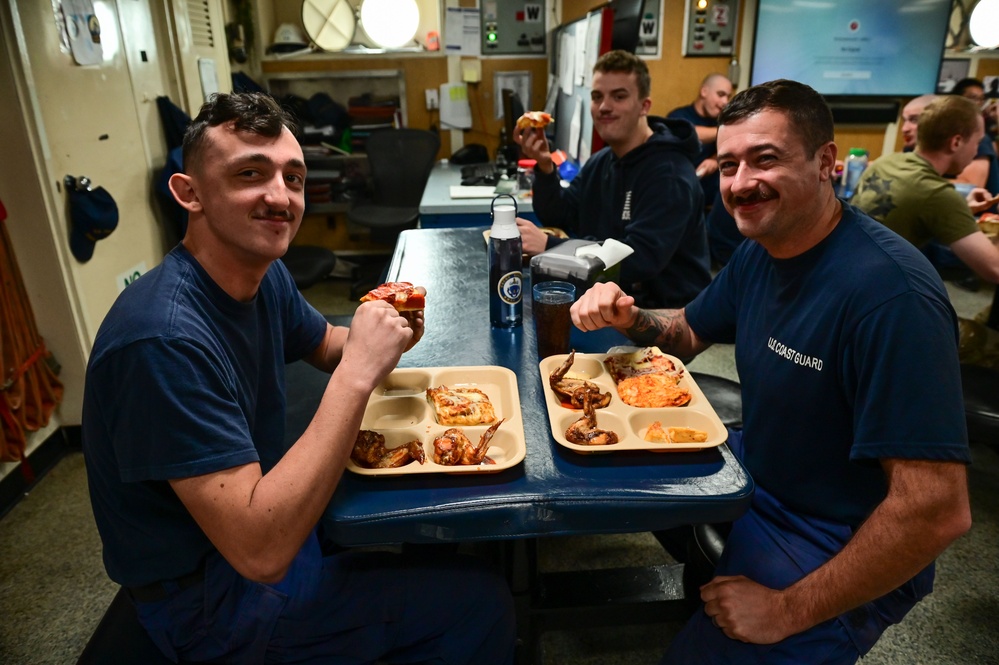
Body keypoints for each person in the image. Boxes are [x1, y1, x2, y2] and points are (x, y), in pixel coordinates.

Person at [81, 92, 515, 664]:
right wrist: (357, 373)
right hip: (211, 600)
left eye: (293, 178)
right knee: (480, 603)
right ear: (190, 193)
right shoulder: (162, 342)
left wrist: (384, 338)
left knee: (433, 524)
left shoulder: (262, 275)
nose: (279, 196)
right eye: (250, 174)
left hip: (253, 534)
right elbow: (261, 552)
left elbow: (327, 344)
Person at [571, 79, 971, 663]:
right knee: (606, 471)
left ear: (825, 162)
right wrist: (630, 317)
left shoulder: (892, 298)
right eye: (729, 164)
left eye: (765, 159)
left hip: (833, 533)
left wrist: (785, 610)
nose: (740, 183)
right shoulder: (763, 251)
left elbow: (936, 511)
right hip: (758, 469)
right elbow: (685, 334)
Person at [513, 49, 710, 309]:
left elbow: (639, 260)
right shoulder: (602, 160)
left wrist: (550, 246)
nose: (604, 106)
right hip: (605, 298)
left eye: (619, 96)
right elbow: (560, 214)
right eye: (597, 97)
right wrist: (545, 165)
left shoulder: (670, 175)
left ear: (644, 106)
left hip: (661, 315)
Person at [852, 95, 999, 286]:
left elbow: (912, 208)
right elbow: (995, 270)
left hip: (841, 271)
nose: (976, 151)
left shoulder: (885, 162)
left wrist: (962, 208)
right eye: (977, 143)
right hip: (873, 289)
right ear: (956, 142)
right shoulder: (938, 194)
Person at [668, 73, 734, 205]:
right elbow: (689, 134)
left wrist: (714, 160)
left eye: (728, 97)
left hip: (710, 200)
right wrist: (727, 130)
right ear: (704, 91)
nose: (725, 102)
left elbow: (728, 149)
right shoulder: (679, 116)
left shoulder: (720, 121)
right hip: (679, 196)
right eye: (720, 94)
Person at [950, 78, 999, 205]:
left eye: (981, 99)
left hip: (979, 211)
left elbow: (970, 187)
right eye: (973, 98)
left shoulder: (980, 138)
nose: (978, 104)